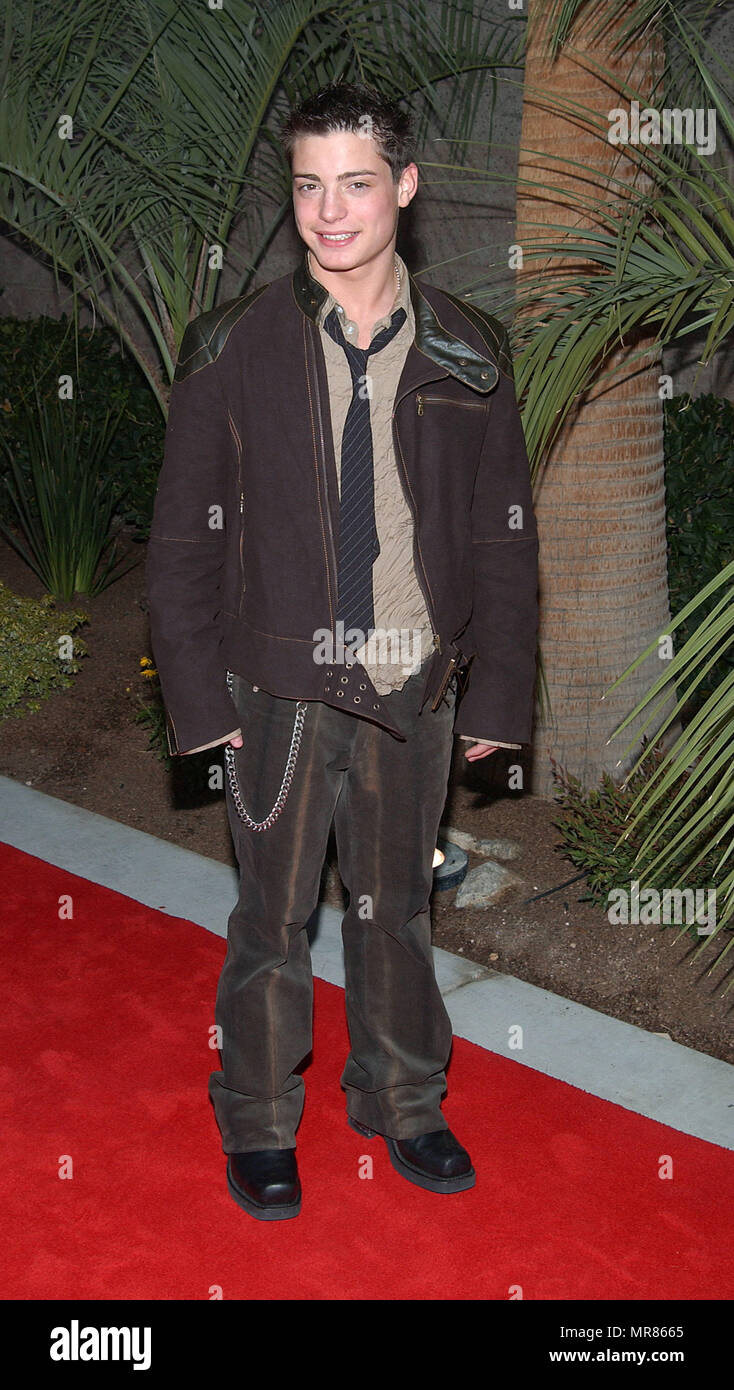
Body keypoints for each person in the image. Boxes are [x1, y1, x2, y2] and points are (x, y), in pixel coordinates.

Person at [145, 81, 539, 1222]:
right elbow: (181, 540)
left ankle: (403, 1100)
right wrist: (197, 701)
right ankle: (261, 1120)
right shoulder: (231, 348)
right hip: (272, 690)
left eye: (354, 184)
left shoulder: (469, 352)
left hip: (413, 684)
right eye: (309, 185)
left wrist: (499, 692)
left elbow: (502, 539)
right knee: (270, 922)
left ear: (403, 189)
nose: (329, 211)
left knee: (397, 911)